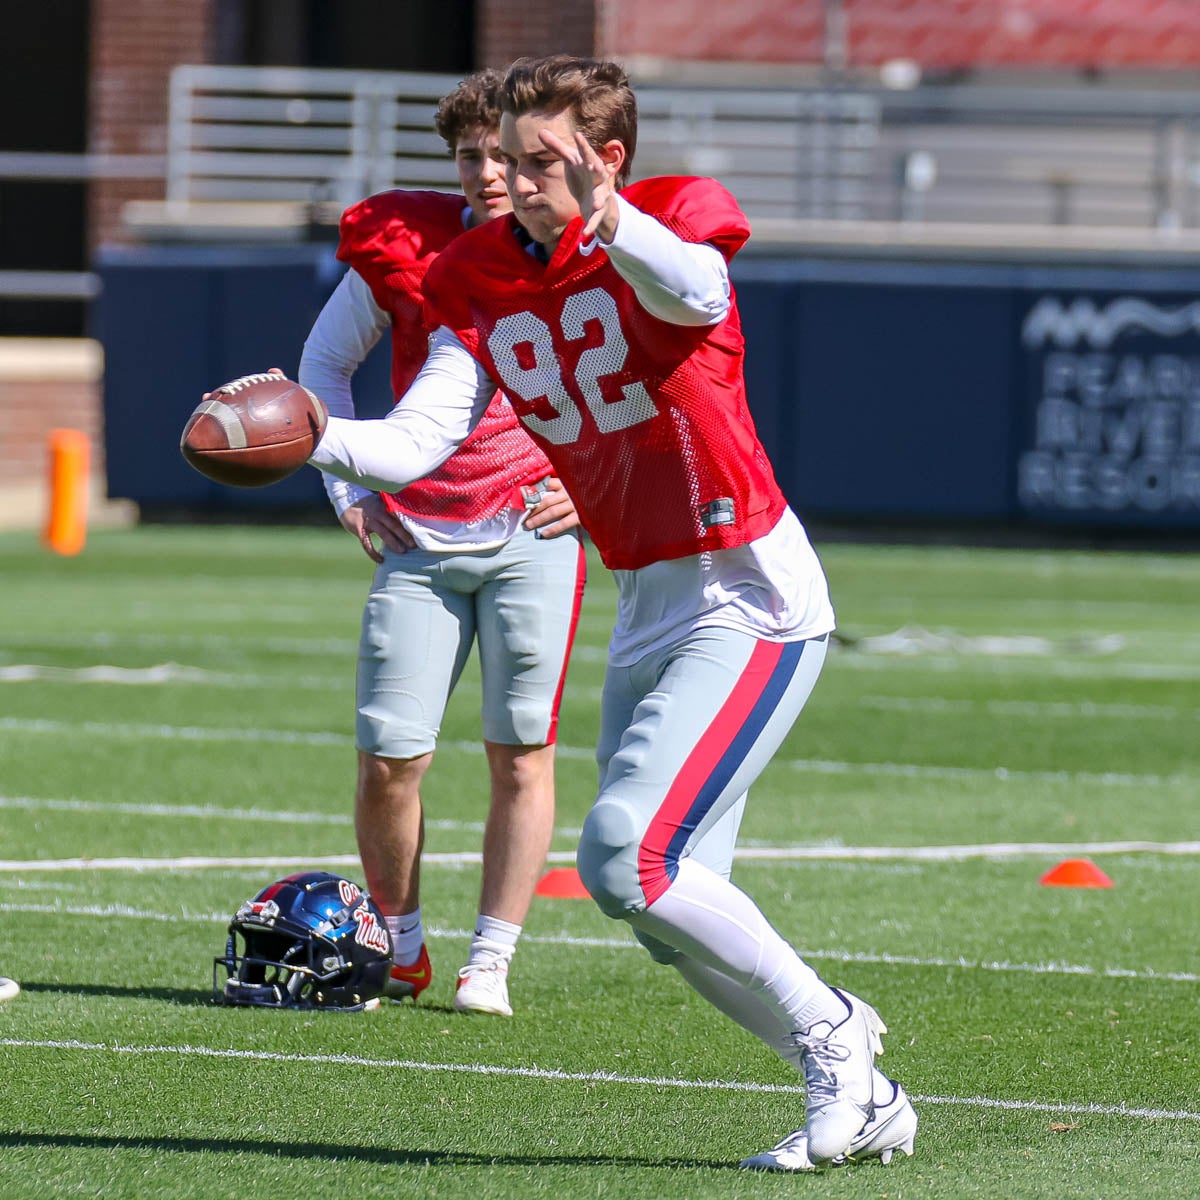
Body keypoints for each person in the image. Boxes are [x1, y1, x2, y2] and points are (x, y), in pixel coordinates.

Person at [307, 55, 917, 1169]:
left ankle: (834, 1035)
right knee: (668, 916)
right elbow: (415, 437)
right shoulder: (481, 271)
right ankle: (861, 1083)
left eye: (543, 161)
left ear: (606, 159)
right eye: (508, 158)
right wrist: (314, 434)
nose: (518, 181)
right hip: (648, 598)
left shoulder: (665, 227)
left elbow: (698, 290)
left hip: (748, 587)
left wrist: (608, 216)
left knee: (628, 858)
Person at [297, 69, 586, 1019]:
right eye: (474, 156)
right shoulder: (411, 245)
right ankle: (405, 944)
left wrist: (589, 488)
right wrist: (348, 491)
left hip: (533, 530)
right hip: (420, 528)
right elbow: (326, 363)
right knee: (390, 756)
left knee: (522, 753)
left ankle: (491, 958)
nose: (493, 174)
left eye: (510, 156)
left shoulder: (588, 244)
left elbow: (652, 381)